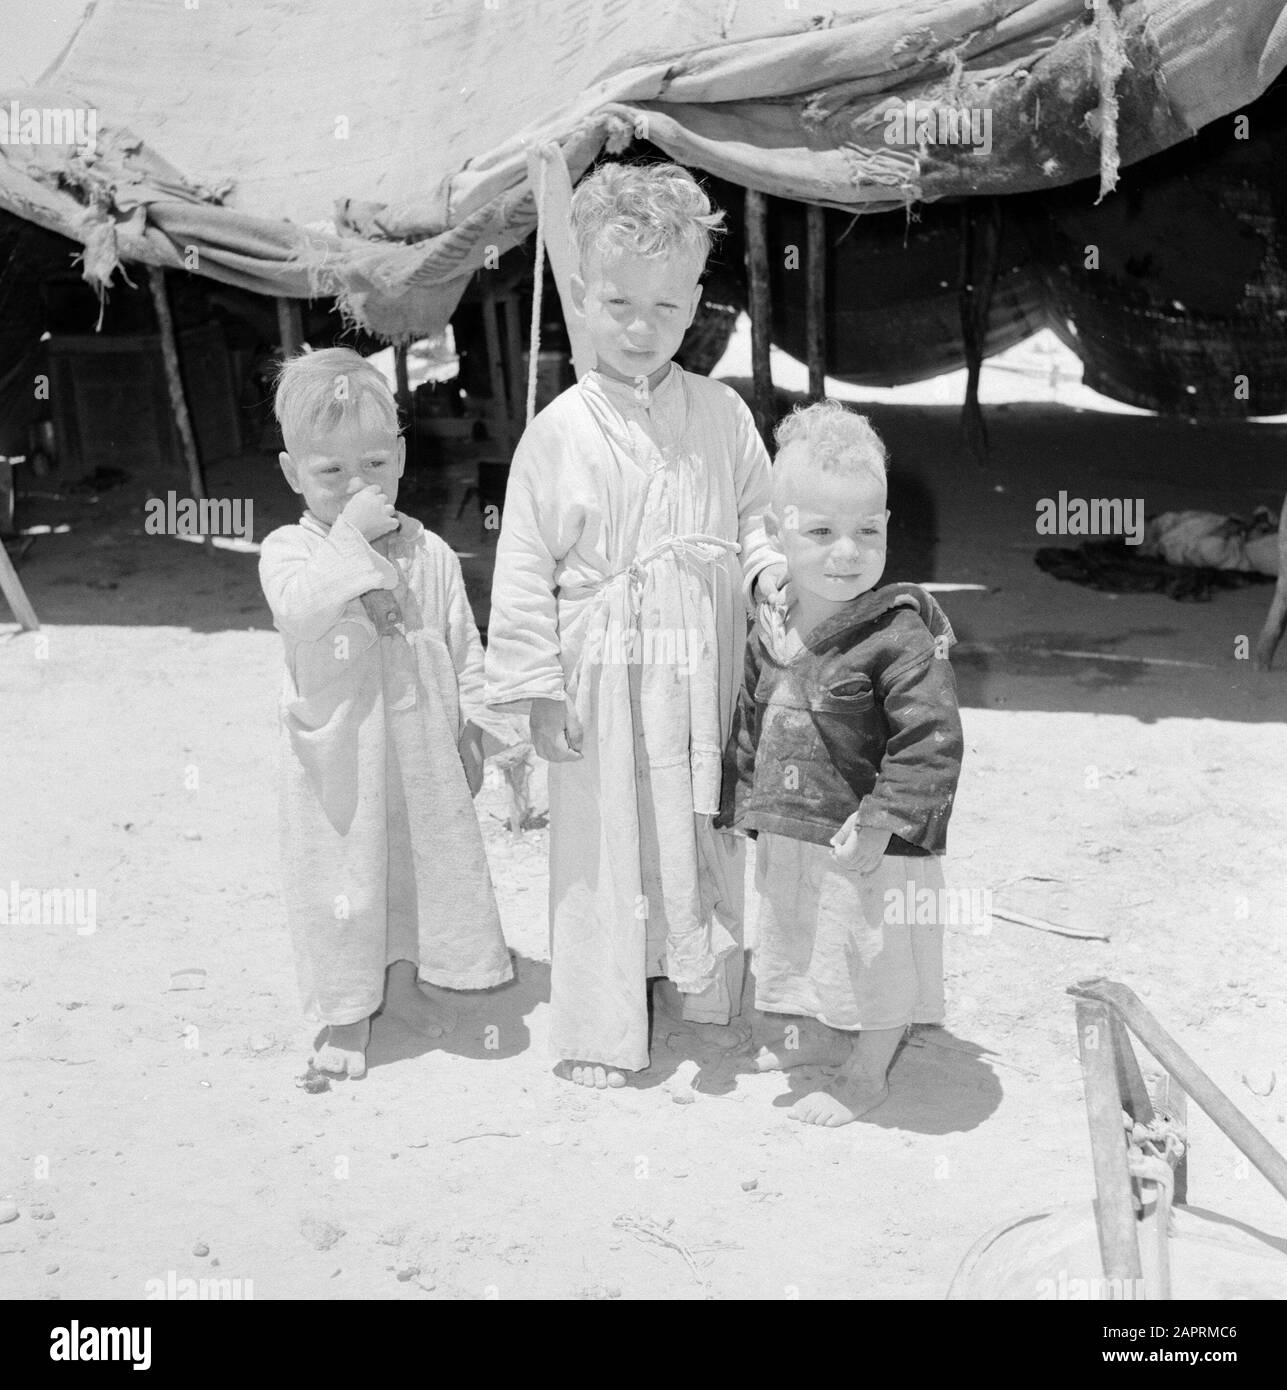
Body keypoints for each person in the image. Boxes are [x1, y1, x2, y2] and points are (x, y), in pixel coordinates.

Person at [485, 162, 786, 1088]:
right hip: (604, 676)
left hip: (701, 670)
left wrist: (770, 576)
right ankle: (601, 1029)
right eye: (617, 301)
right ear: (580, 295)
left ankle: (704, 990)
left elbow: (755, 518)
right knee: (608, 848)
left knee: (702, 829)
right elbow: (524, 567)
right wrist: (533, 691)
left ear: (696, 301)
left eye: (664, 305)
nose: (639, 326)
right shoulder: (558, 432)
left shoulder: (723, 412)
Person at [260, 348, 514, 1079]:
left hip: (417, 750)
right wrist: (350, 538)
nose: (356, 488)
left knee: (414, 871)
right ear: (291, 473)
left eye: (374, 464)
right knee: (346, 879)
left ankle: (400, 991)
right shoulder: (291, 552)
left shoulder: (429, 550)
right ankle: (345, 1016)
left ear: (401, 457)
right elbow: (301, 612)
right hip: (340, 762)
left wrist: (472, 729)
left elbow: (461, 642)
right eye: (329, 474)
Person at [720, 400, 964, 1125]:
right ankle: (818, 1036)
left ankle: (867, 1072)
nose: (846, 552)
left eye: (867, 530)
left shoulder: (897, 634)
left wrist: (884, 822)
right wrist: (741, 803)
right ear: (775, 533)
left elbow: (930, 740)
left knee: (871, 951)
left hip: (868, 841)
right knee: (804, 937)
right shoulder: (774, 621)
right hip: (796, 827)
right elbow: (753, 713)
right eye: (820, 532)